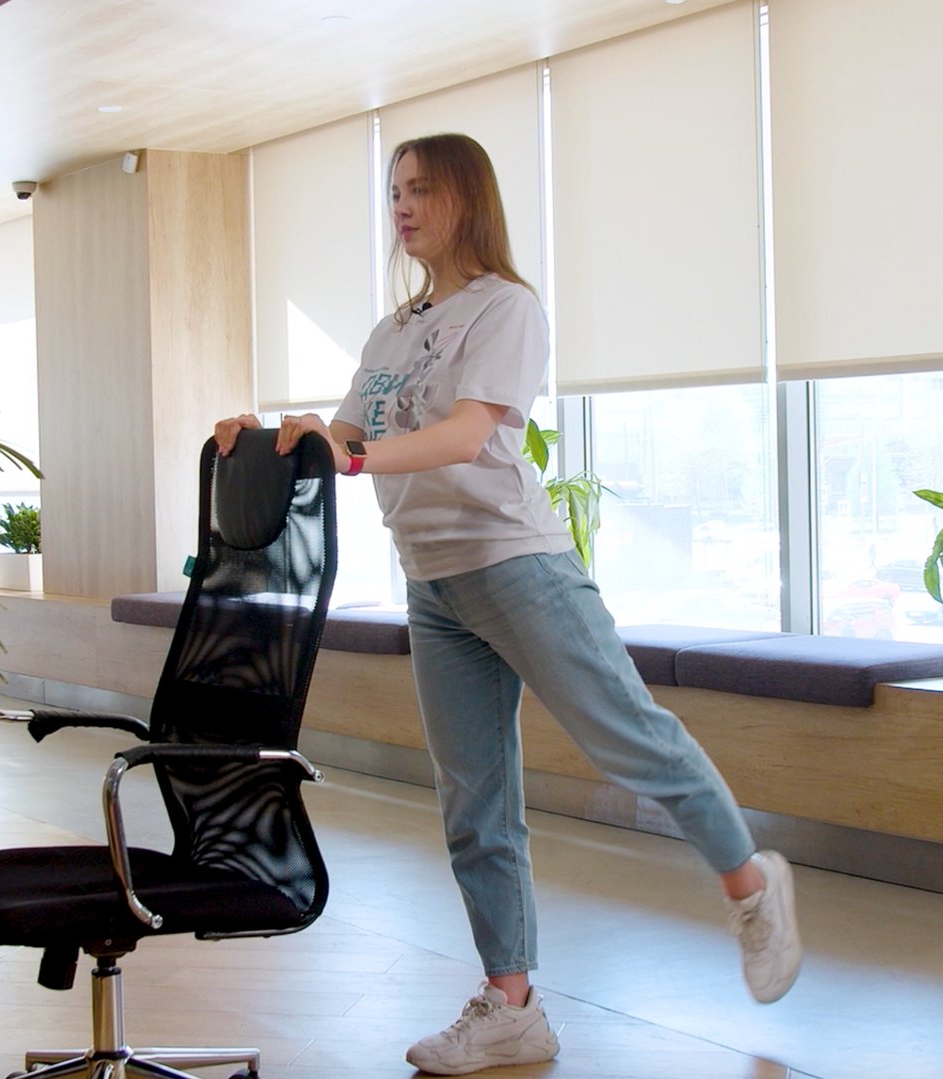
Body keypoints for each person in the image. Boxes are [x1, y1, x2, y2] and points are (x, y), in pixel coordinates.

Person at [214, 132, 800, 1076]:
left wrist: (348, 454)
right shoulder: (393, 330)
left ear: (467, 198)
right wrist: (266, 436)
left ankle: (751, 887)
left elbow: (462, 435)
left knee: (630, 739)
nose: (403, 208)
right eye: (394, 191)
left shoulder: (506, 308)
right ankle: (513, 1004)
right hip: (433, 581)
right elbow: (342, 434)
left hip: (517, 565)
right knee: (474, 802)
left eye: (421, 190)